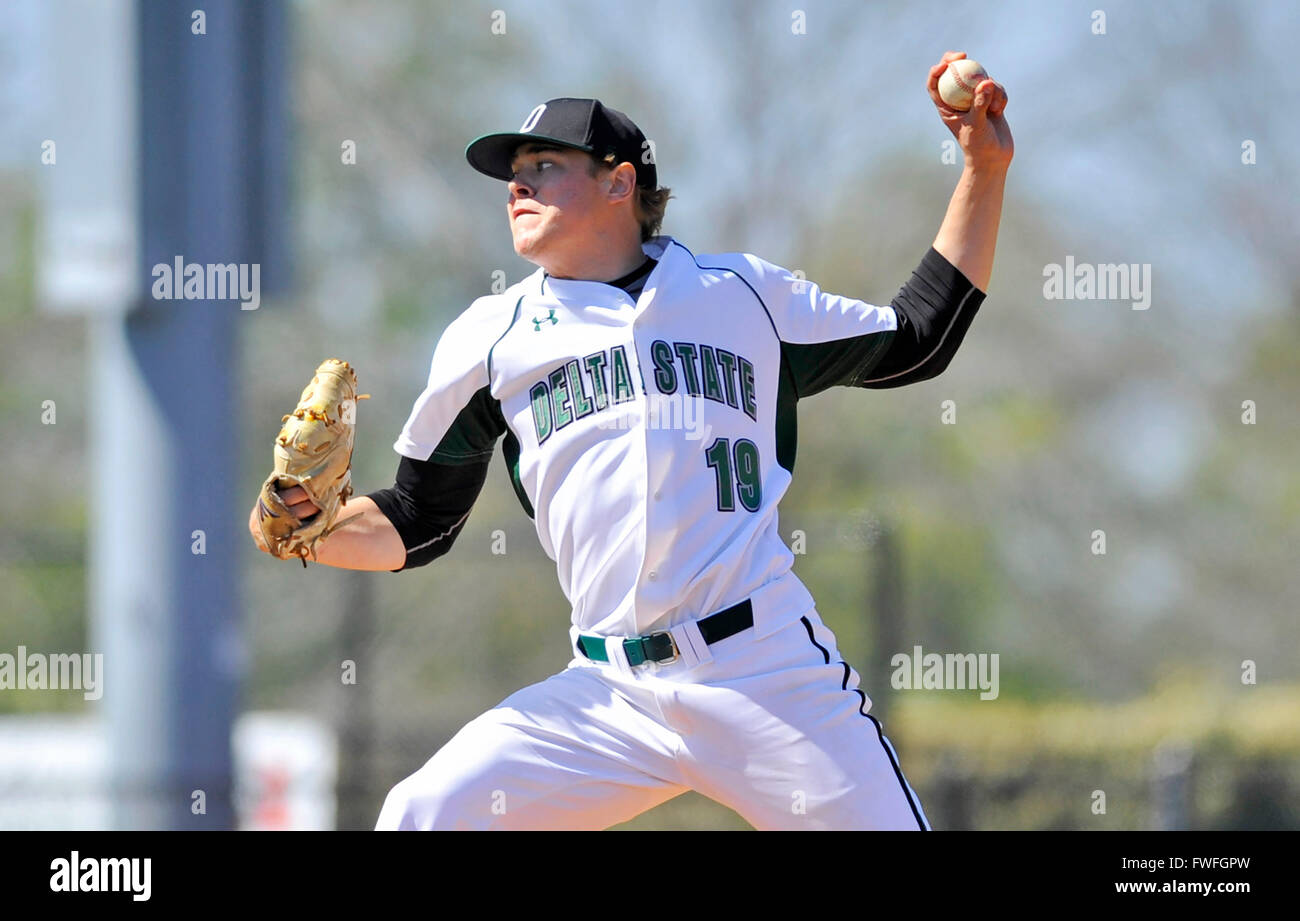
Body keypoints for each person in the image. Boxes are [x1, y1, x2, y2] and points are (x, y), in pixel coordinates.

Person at [249, 51, 1013, 830]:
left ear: (621, 183)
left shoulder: (742, 296)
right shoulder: (490, 338)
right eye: (515, 171)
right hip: (606, 695)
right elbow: (419, 520)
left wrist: (983, 168)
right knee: (422, 813)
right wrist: (302, 524)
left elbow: (920, 335)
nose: (518, 185)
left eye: (545, 165)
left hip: (764, 670)